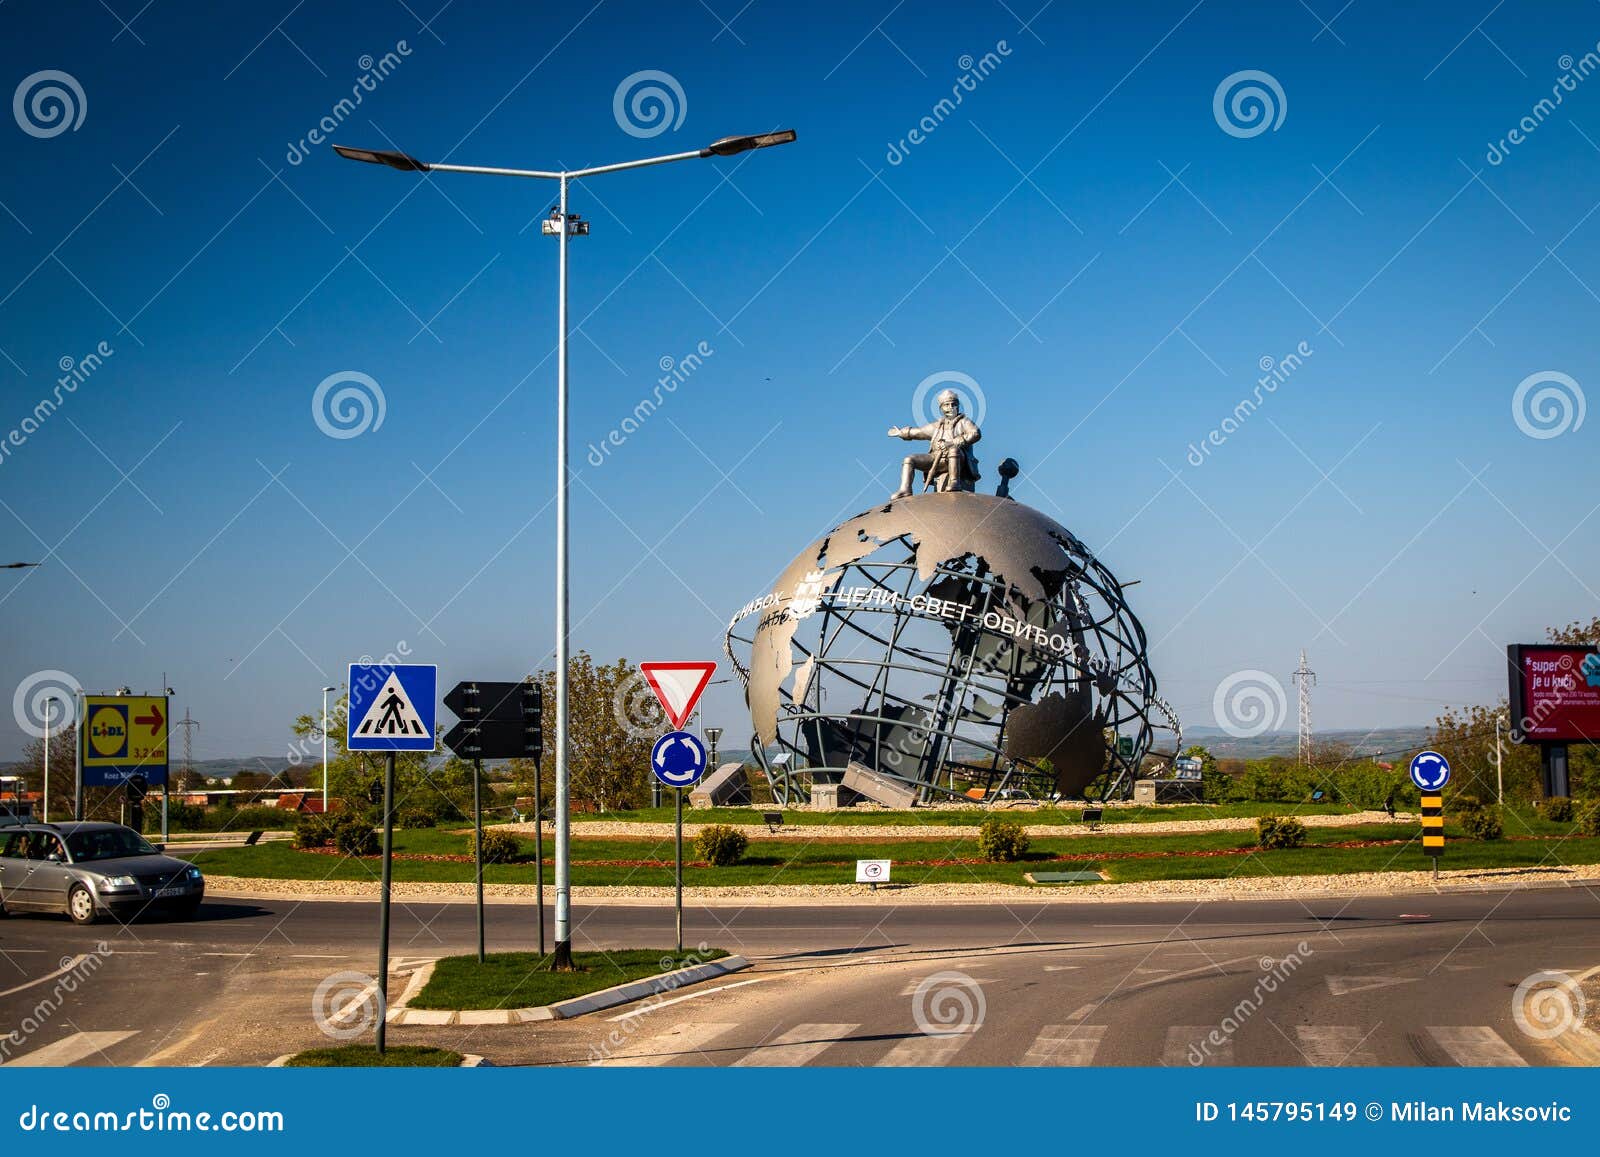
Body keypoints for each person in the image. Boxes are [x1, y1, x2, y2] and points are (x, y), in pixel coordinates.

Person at [887, 388, 981, 498]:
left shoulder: (964, 422)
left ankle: (954, 482)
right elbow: (918, 432)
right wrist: (901, 432)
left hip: (959, 460)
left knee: (953, 450)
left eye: (953, 404)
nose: (951, 407)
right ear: (941, 408)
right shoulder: (937, 426)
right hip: (936, 458)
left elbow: (975, 434)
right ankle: (905, 489)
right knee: (909, 459)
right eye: (947, 405)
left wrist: (952, 443)